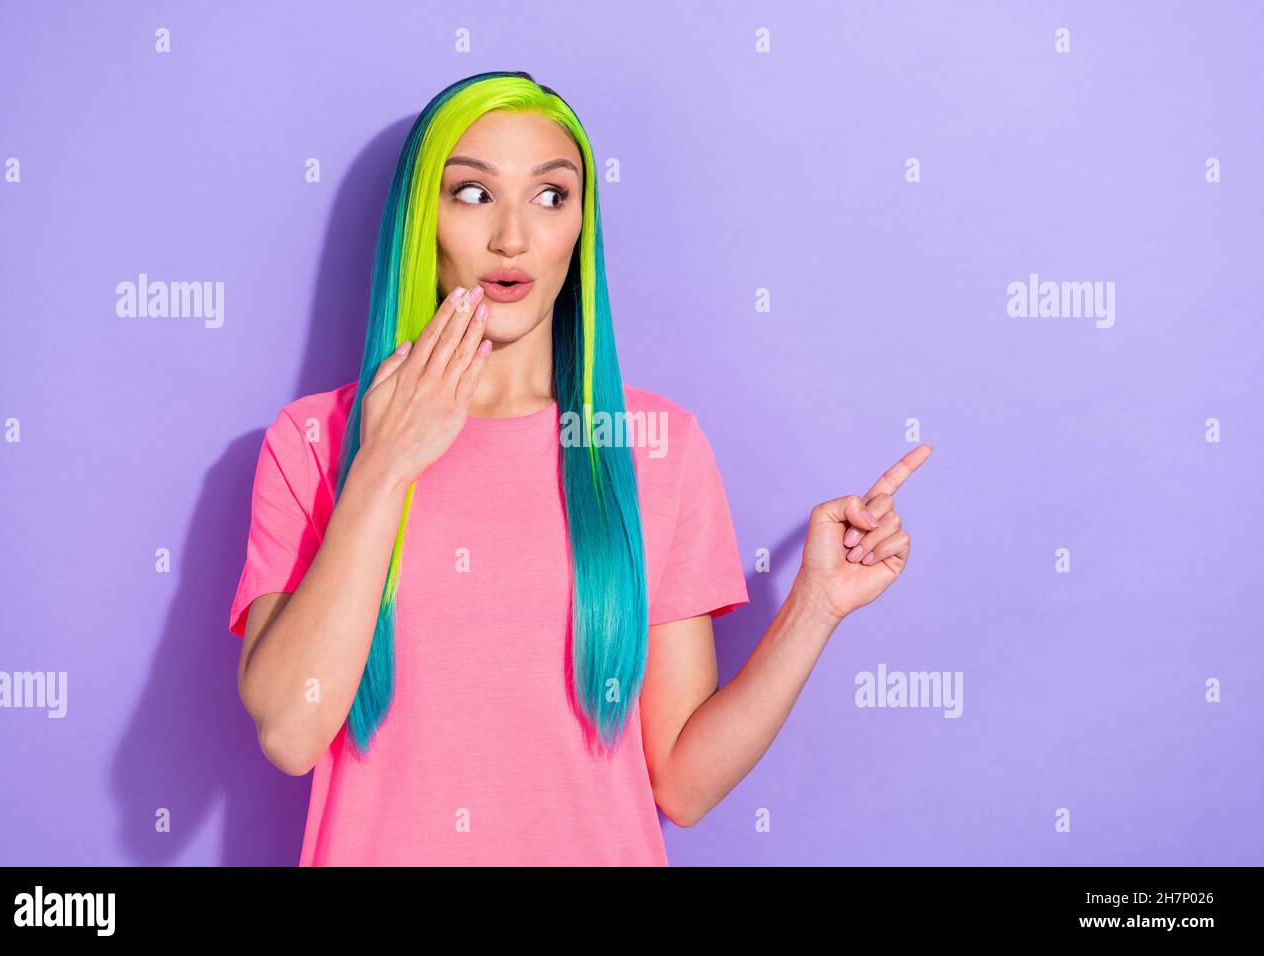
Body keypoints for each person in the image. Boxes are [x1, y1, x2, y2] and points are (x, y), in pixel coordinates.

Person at [228, 70, 932, 866]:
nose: (512, 239)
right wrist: (384, 465)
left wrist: (813, 608)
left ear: (581, 227)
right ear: (421, 220)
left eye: (551, 196)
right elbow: (290, 731)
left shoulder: (655, 446)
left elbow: (684, 786)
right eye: (472, 193)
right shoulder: (313, 442)